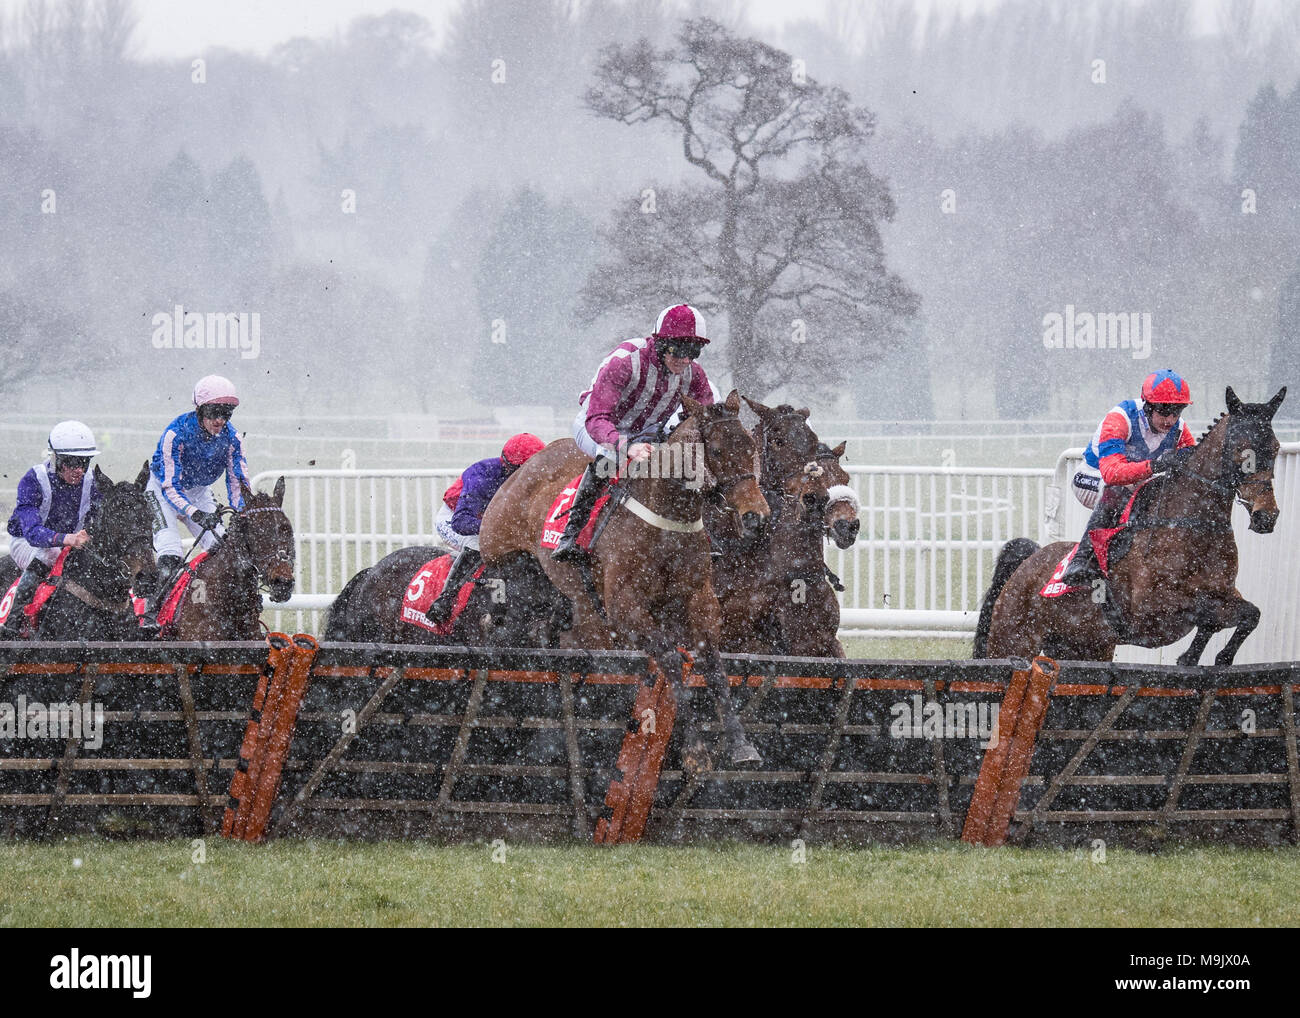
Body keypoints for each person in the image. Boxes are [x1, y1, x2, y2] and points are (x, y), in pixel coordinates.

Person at [551, 303, 716, 561]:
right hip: (598, 425)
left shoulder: (693, 374)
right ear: (661, 343)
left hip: (647, 429)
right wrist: (626, 446)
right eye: (679, 349)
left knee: (689, 459)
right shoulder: (626, 362)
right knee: (609, 457)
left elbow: (706, 417)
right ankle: (571, 535)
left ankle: (704, 535)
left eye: (693, 351)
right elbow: (597, 418)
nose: (685, 359)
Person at [1060, 369, 1197, 586]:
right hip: (1090, 478)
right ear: (1148, 405)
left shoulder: (1179, 428)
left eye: (1177, 411)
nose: (1170, 419)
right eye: (1164, 410)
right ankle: (1081, 560)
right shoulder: (1120, 418)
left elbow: (1194, 460)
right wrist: (1155, 465)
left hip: (1132, 484)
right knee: (1118, 490)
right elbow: (1112, 473)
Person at [142, 375, 251, 615]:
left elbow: (237, 481)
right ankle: (151, 614)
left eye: (227, 413)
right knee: (170, 554)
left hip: (199, 492)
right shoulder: (176, 434)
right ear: (200, 409)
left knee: (224, 549)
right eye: (214, 412)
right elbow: (170, 487)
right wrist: (195, 514)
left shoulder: (232, 438)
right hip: (162, 491)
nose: (220, 420)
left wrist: (243, 513)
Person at [426, 433, 547, 623]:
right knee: (479, 543)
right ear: (511, 467)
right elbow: (462, 523)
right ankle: (445, 600)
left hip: (493, 524)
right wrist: (499, 528)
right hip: (454, 520)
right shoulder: (482, 476)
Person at [1, 421, 103, 639]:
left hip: (72, 542)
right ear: (57, 459)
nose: (79, 470)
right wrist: (66, 538)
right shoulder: (33, 480)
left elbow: (99, 517)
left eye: (84, 463)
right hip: (28, 543)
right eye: (72, 463)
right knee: (50, 554)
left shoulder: (92, 481)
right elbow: (33, 533)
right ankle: (13, 623)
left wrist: (90, 533)